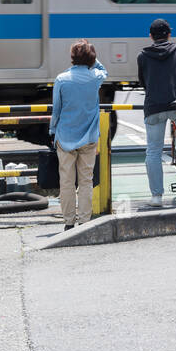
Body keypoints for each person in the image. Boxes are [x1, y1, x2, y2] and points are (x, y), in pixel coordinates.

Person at [138, 18, 176, 207]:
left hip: (154, 108)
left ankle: (156, 197)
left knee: (154, 152)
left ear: (150, 36)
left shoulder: (142, 56)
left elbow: (143, 83)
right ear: (169, 34)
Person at [49, 39, 107, 230]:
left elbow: (56, 110)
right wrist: (93, 60)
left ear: (72, 57)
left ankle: (68, 222)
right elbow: (104, 70)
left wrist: (52, 131)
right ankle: (84, 221)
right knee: (86, 181)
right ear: (91, 58)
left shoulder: (61, 79)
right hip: (89, 137)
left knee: (66, 181)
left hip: (65, 137)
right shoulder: (96, 77)